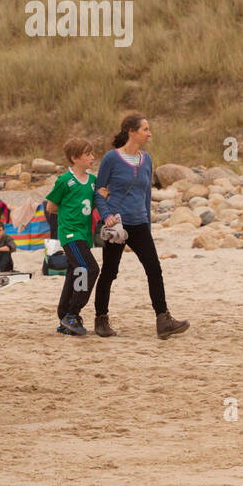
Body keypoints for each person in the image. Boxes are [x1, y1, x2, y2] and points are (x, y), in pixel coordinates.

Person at [93, 113, 189, 340]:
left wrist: (148, 222)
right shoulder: (111, 158)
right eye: (145, 129)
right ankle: (101, 319)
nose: (149, 133)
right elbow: (99, 191)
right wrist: (106, 216)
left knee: (154, 269)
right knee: (110, 272)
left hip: (139, 224)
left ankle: (163, 320)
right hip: (116, 225)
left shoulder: (147, 159)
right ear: (131, 132)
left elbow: (146, 194)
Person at [45, 138, 99, 337]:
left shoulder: (93, 181)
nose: (92, 157)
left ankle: (64, 315)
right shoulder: (64, 181)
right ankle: (73, 313)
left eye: (92, 153)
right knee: (89, 269)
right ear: (75, 158)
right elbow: (51, 206)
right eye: (88, 154)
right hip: (70, 234)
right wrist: (69, 214)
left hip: (85, 235)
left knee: (75, 272)